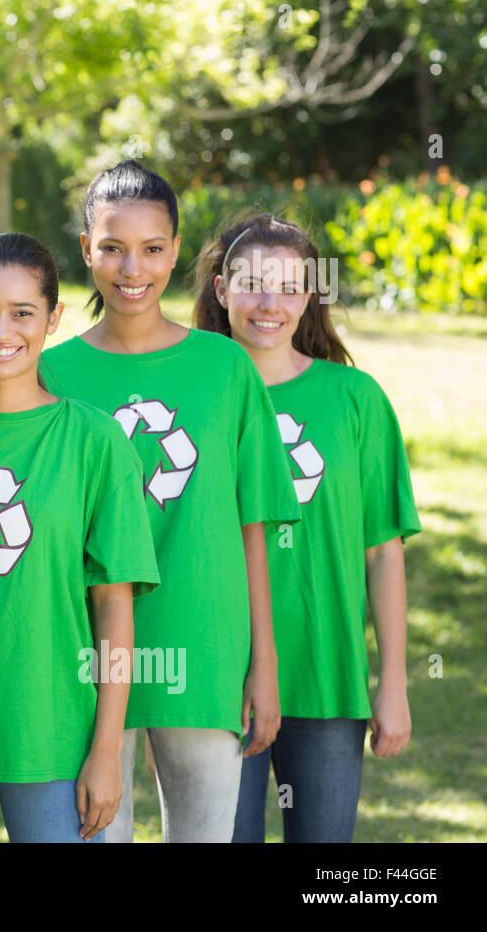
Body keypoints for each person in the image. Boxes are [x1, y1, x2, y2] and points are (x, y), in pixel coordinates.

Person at [38, 161, 301, 842]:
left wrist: (262, 664)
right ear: (86, 247)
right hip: (82, 654)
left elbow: (253, 526)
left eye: (153, 248)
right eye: (113, 247)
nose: (134, 267)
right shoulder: (50, 373)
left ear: (176, 250)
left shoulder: (225, 368)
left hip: (204, 645)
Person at [0, 233, 159, 843]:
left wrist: (106, 748)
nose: (0, 332)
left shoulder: (95, 442)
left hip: (52, 735)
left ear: (54, 319)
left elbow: (115, 606)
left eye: (22, 313)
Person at [193, 213, 420, 842]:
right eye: (252, 284)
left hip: (325, 674)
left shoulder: (356, 400)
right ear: (221, 289)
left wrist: (393, 683)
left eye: (289, 286)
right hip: (219, 676)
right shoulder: (194, 398)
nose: (270, 304)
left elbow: (382, 552)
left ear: (310, 296)